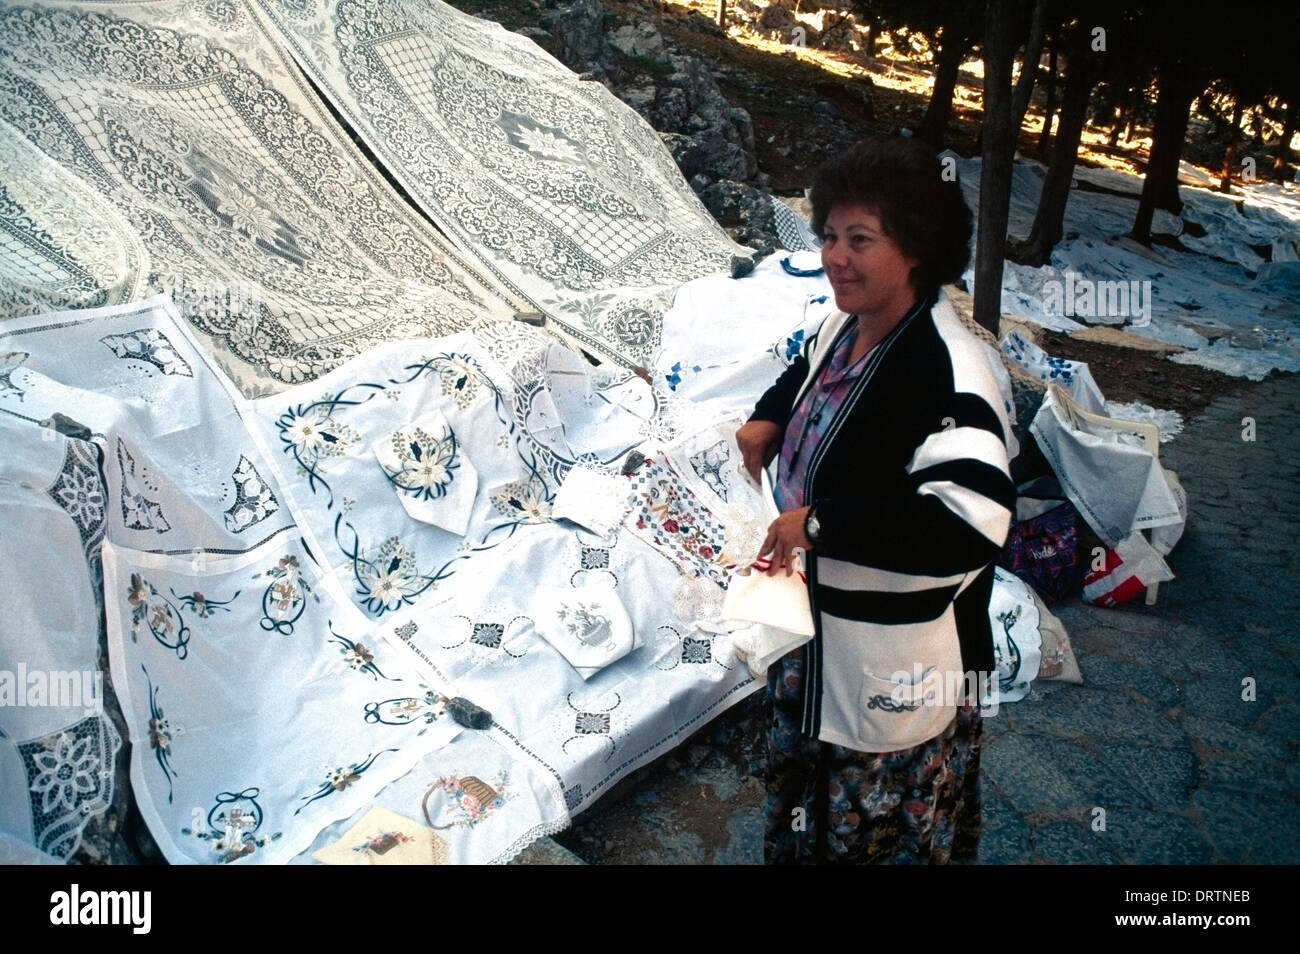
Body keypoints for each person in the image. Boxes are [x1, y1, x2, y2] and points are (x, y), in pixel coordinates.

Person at [735, 136, 1016, 864]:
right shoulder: (845, 326)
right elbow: (801, 370)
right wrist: (769, 417)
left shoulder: (949, 373)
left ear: (917, 248)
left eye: (861, 239)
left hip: (886, 661)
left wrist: (819, 523)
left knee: (869, 836)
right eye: (830, 235)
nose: (835, 256)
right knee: (805, 819)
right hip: (818, 638)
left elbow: (968, 524)